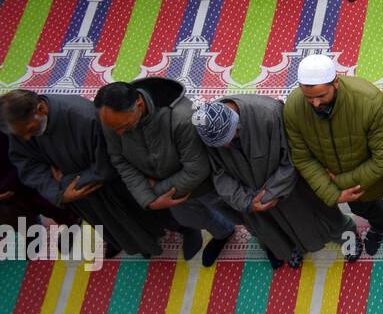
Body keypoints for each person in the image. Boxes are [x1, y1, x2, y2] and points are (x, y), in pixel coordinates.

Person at [283, 54, 383, 259]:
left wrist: (341, 183)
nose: (315, 103)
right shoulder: (293, 108)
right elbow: (303, 158)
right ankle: (382, 224)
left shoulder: (368, 100)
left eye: (321, 95)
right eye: (308, 97)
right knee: (366, 211)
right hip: (347, 190)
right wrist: (334, 194)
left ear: (336, 83)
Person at [1, 89, 168, 258]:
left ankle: (146, 244)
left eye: (31, 130)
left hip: (109, 189)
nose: (28, 139)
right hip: (80, 197)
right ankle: (118, 241)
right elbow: (27, 165)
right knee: (103, 223)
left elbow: (106, 165)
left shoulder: (83, 117)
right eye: (22, 135)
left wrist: (65, 183)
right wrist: (59, 193)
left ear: (40, 110)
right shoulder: (21, 129)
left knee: (134, 220)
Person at [193, 94, 351, 268]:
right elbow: (219, 174)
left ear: (237, 123)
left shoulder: (270, 114)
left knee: (326, 217)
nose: (226, 148)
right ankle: (288, 251)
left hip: (290, 189)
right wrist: (247, 202)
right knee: (269, 231)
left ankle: (349, 240)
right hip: (252, 200)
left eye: (229, 140)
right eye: (221, 145)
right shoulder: (207, 127)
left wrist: (270, 194)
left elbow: (293, 158)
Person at [94, 78, 237, 266]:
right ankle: (223, 233)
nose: (119, 134)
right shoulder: (113, 121)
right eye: (115, 129)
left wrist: (158, 191)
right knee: (189, 217)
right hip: (172, 192)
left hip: (203, 185)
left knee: (233, 210)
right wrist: (149, 199)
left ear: (139, 104)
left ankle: (264, 236)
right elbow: (119, 160)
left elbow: (196, 169)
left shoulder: (182, 117)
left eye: (124, 127)